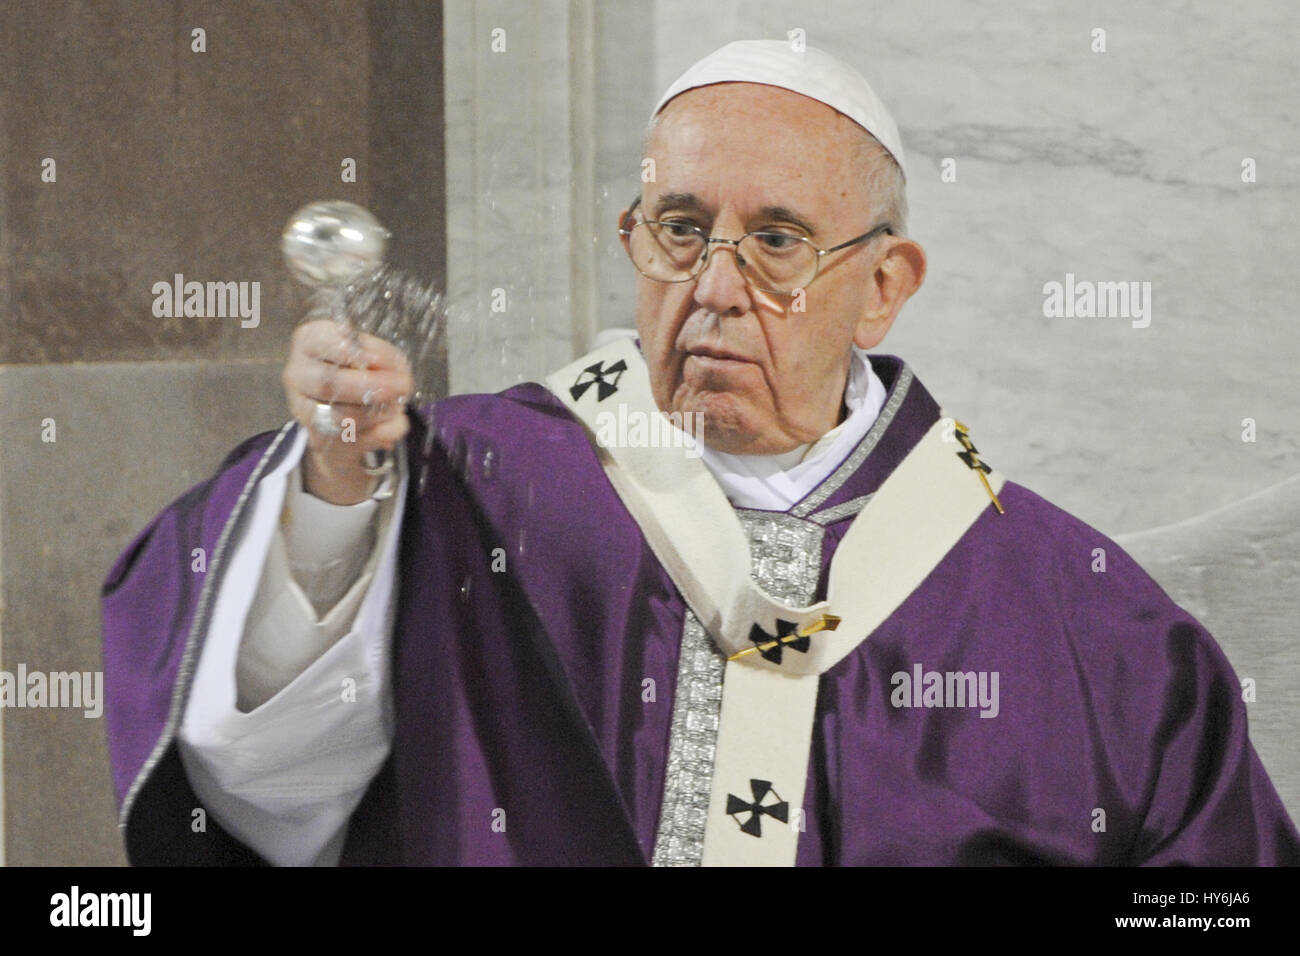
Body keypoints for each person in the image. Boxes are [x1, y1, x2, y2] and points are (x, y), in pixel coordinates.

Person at [102, 40, 1300, 866]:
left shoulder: (1075, 617)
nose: (714, 287)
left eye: (776, 240)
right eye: (682, 229)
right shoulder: (471, 491)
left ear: (883, 286)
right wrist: (334, 503)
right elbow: (262, 775)